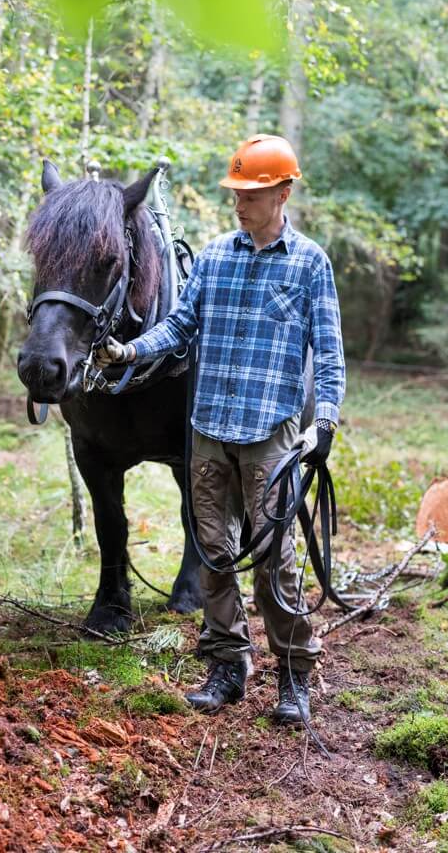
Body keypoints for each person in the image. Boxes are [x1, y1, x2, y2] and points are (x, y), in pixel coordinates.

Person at [96, 134, 346, 725]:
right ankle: (227, 666)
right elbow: (179, 328)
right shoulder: (212, 257)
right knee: (212, 555)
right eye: (236, 192)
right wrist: (128, 351)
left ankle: (293, 677)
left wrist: (327, 419)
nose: (240, 203)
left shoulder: (310, 264)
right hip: (208, 430)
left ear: (283, 192)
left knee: (275, 561)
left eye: (252, 194)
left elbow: (330, 353)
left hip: (270, 437)